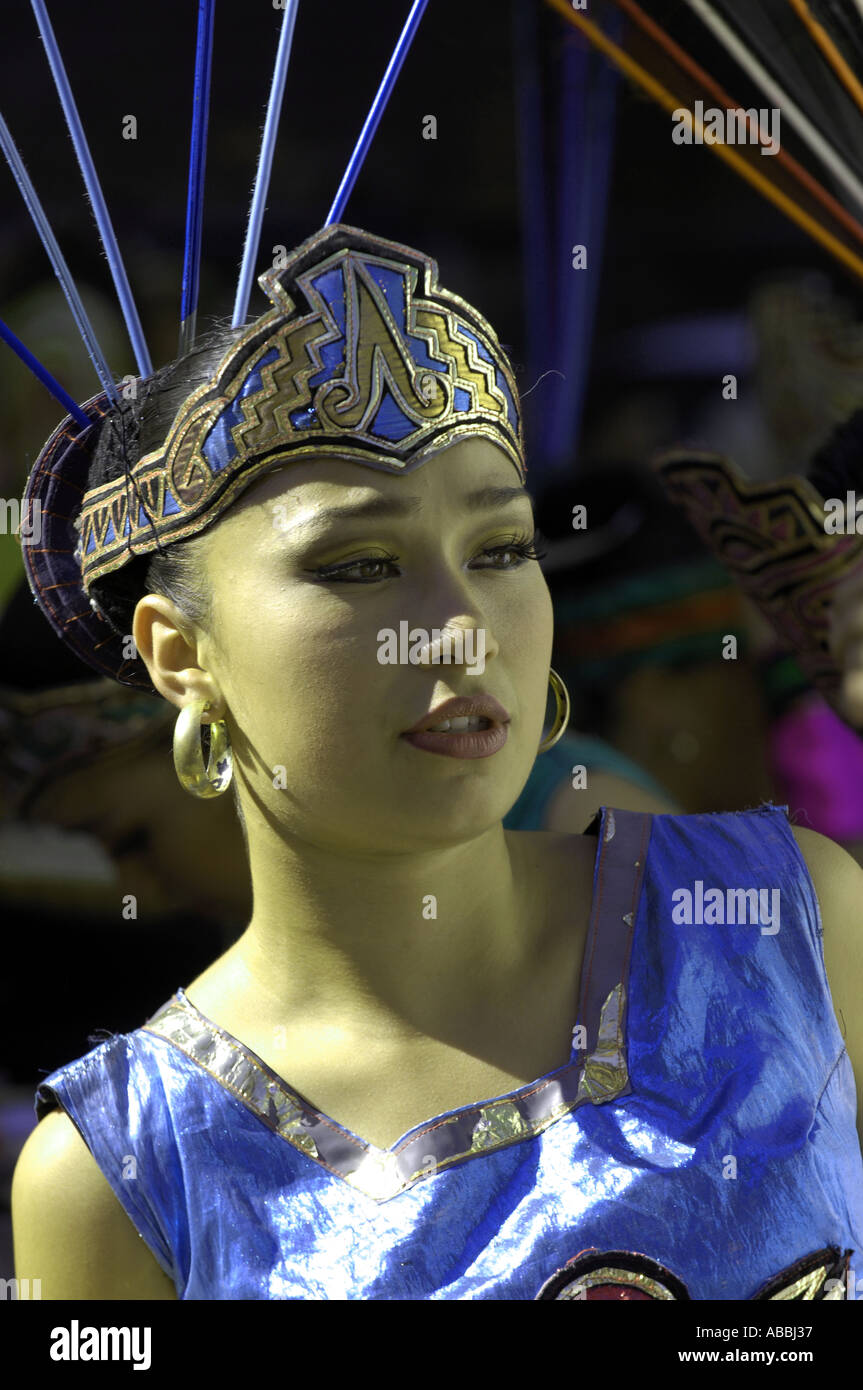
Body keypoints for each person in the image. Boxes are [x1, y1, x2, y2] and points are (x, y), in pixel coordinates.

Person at [11, 225, 863, 1301]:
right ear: (181, 656)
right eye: (359, 564)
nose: (458, 629)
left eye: (501, 550)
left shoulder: (788, 924)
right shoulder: (126, 1175)